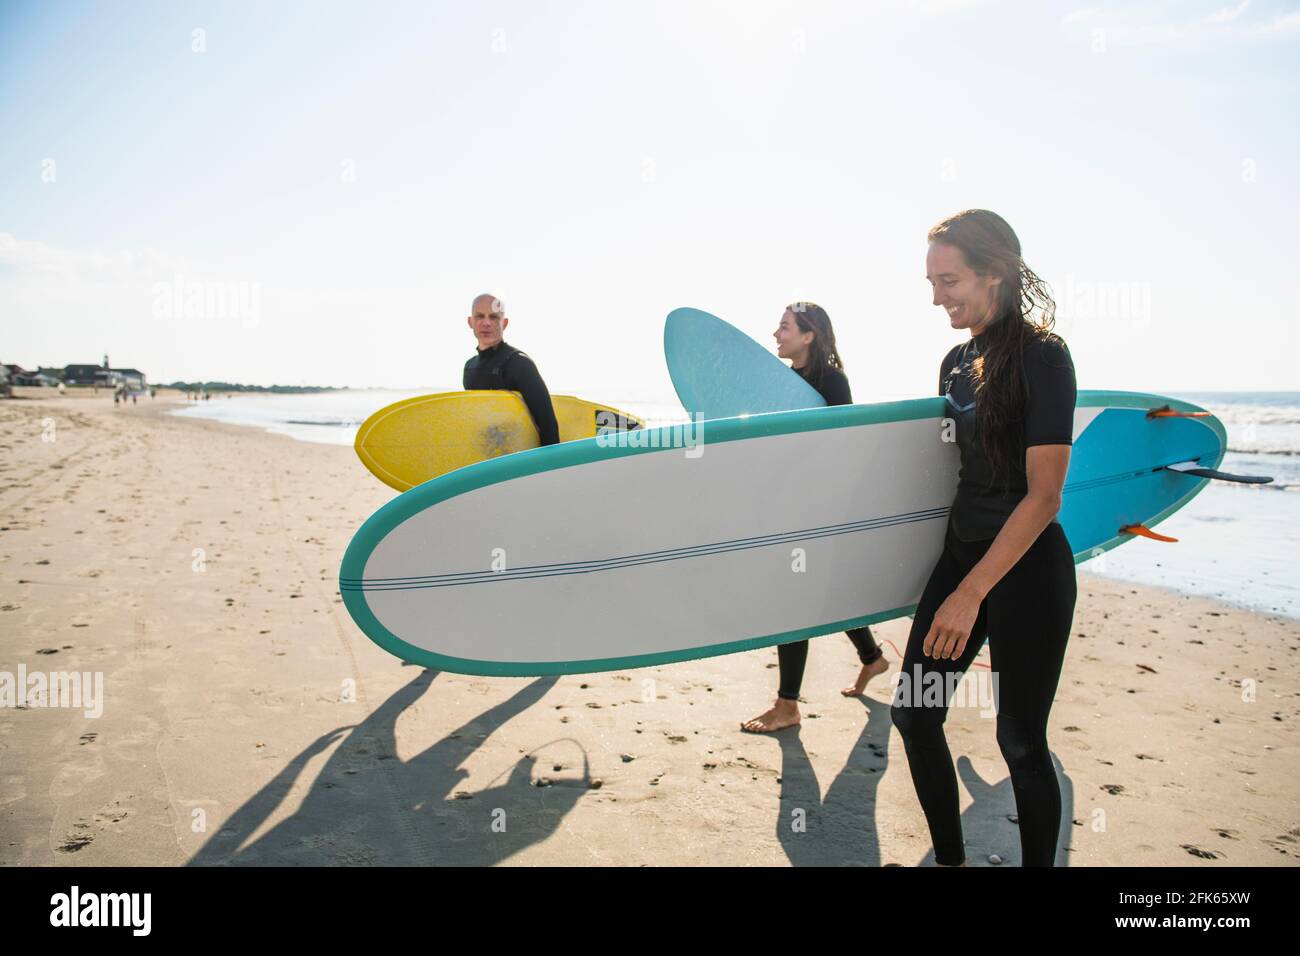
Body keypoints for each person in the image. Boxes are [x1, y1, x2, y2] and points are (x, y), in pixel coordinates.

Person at [891, 209, 1077, 867]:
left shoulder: (1043, 357)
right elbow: (947, 473)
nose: (937, 296)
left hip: (1024, 569)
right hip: (962, 554)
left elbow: (1045, 495)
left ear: (994, 272)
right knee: (915, 715)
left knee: (1021, 741)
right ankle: (950, 859)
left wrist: (970, 595)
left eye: (948, 280)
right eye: (932, 281)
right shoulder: (955, 361)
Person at [740, 302, 889, 734]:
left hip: (818, 509)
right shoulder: (783, 380)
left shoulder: (830, 380)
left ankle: (787, 706)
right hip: (789, 504)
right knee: (825, 592)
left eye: (784, 327)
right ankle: (872, 658)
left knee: (795, 601)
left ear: (809, 335)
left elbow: (843, 444)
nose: (775, 334)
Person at [462, 294, 559, 446]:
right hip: (485, 458)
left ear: (504, 323)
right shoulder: (470, 368)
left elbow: (548, 426)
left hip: (518, 460)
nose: (486, 323)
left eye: (494, 317)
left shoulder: (519, 363)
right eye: (480, 316)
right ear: (470, 321)